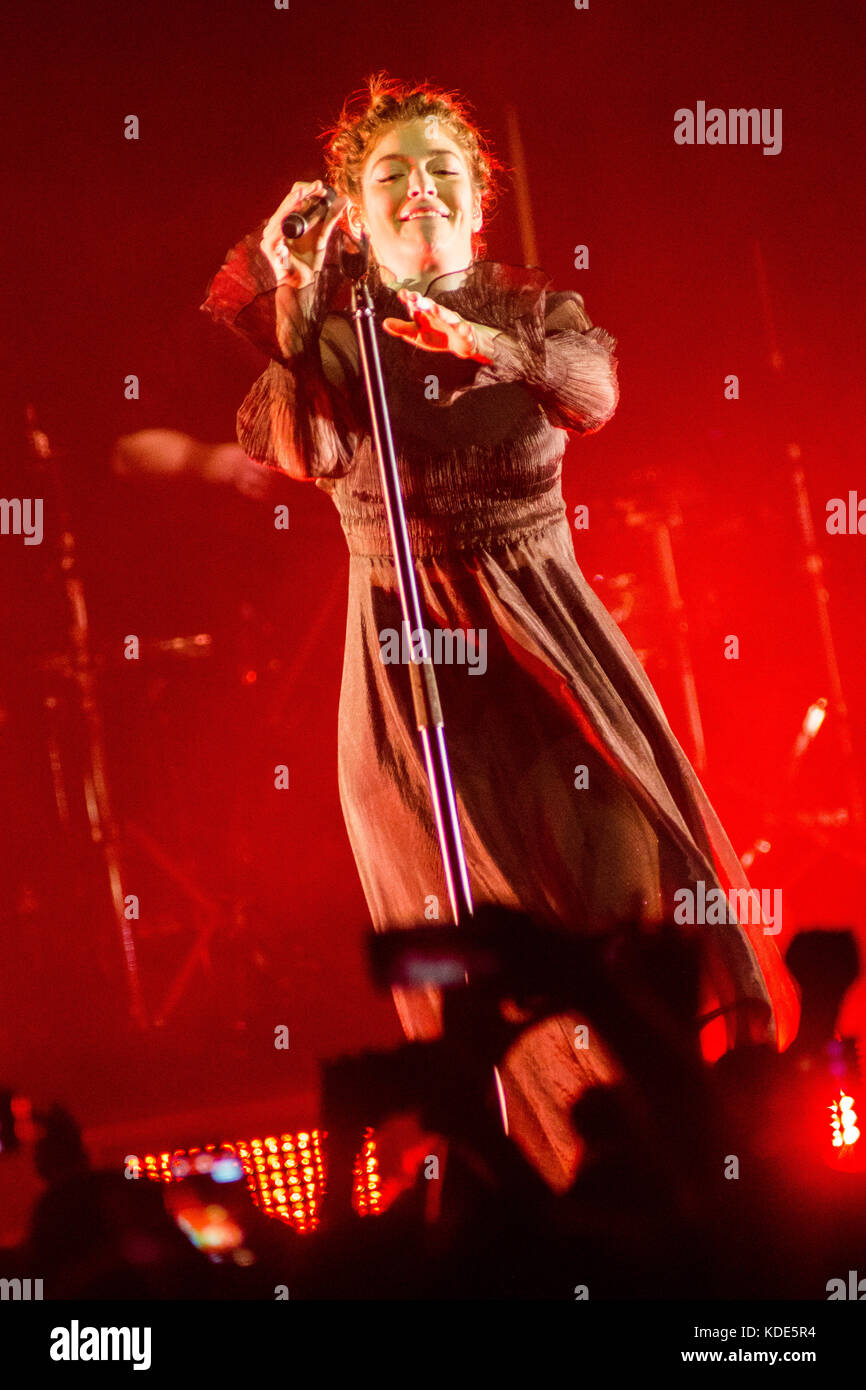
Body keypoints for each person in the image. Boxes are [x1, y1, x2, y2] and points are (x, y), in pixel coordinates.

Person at [202, 74, 800, 1193]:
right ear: (351, 213)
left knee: (624, 924)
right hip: (411, 683)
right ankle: (548, 1208)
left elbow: (592, 390)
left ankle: (696, 1179)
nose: (418, 188)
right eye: (389, 175)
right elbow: (300, 443)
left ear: (477, 204)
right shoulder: (329, 345)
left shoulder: (537, 318)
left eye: (441, 171)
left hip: (549, 650)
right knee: (487, 972)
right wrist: (292, 304)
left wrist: (489, 344)